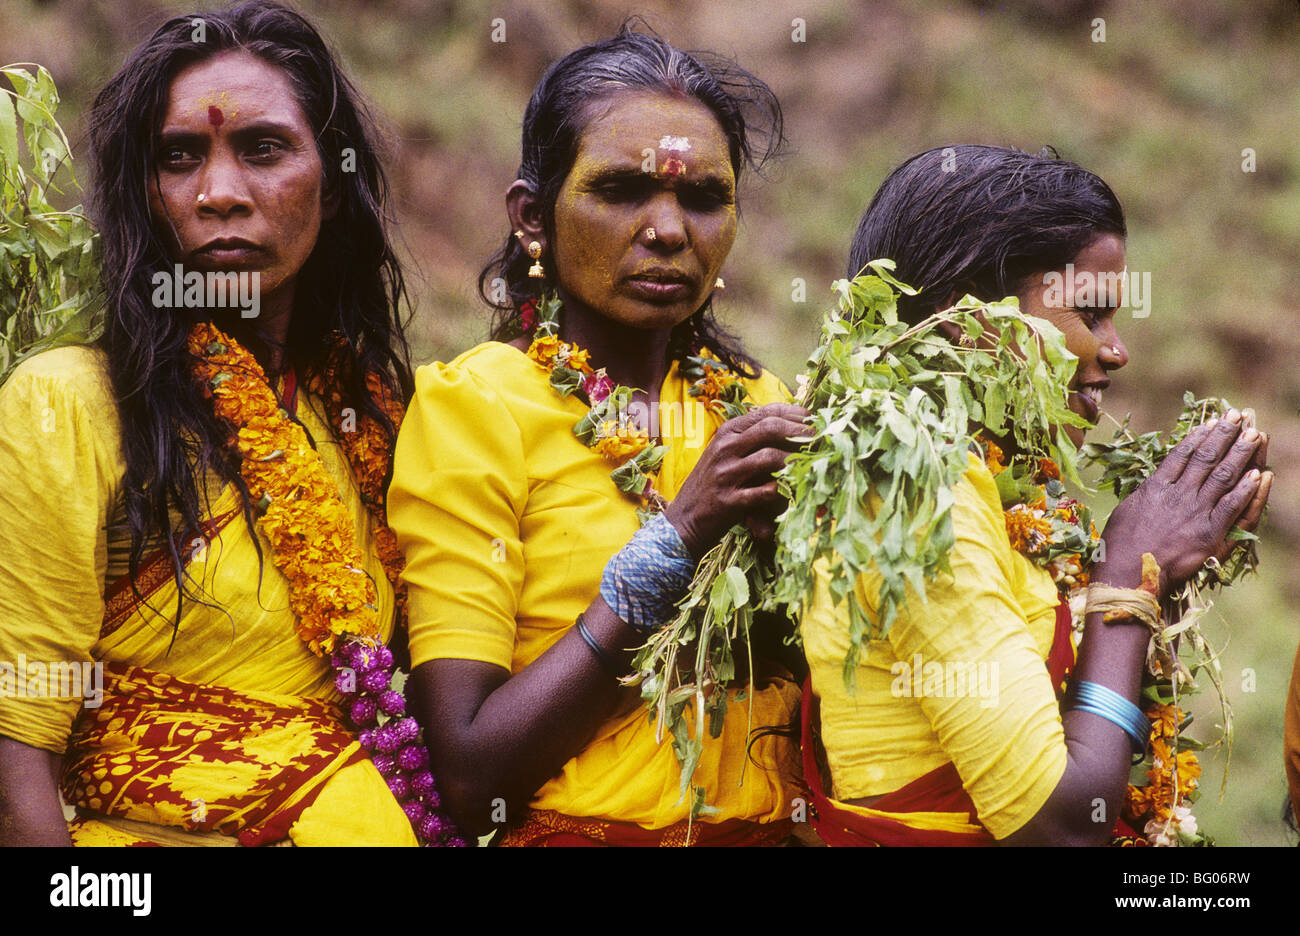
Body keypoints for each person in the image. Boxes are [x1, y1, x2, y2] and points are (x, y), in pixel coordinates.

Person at [0, 1, 430, 846]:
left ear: (333, 185)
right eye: (179, 157)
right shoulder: (67, 403)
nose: (219, 192)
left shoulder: (365, 420)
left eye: (263, 149)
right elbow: (16, 760)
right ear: (145, 193)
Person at [388, 25, 808, 845]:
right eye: (620, 191)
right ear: (531, 219)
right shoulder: (476, 408)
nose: (668, 230)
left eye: (703, 198)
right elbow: (471, 774)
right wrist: (680, 539)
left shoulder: (758, 405)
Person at [798, 144, 1273, 846]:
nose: (1117, 352)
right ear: (969, 317)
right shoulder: (912, 492)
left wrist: (1162, 570)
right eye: (1091, 314)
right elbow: (1059, 824)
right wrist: (1128, 575)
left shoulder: (998, 486)